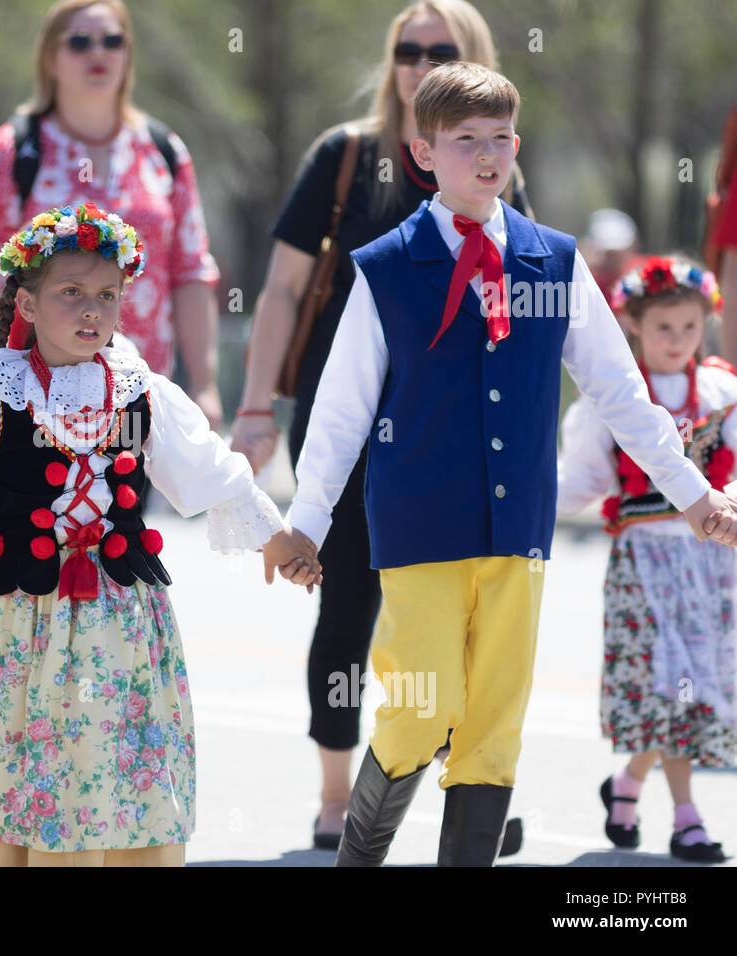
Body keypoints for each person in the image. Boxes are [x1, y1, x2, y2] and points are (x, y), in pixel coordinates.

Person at [277, 62, 737, 867]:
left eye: (499, 140)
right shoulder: (386, 267)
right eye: (465, 141)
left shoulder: (554, 263)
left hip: (517, 529)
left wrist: (694, 495)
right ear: (424, 154)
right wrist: (304, 524)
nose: (486, 156)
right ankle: (358, 860)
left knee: (493, 724)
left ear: (516, 148)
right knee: (423, 708)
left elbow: (622, 394)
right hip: (418, 528)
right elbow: (342, 411)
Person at [0, 202, 311, 866]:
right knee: (16, 759)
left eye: (107, 295)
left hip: (120, 617)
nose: (92, 309)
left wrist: (276, 539)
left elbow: (209, 471)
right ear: (29, 304)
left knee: (108, 759)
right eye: (71, 293)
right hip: (15, 614)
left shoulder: (140, 392)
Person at [231, 0, 530, 850]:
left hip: (454, 431)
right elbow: (284, 289)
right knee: (351, 603)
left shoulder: (496, 158)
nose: (419, 60)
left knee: (464, 616)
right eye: (407, 47)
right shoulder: (345, 158)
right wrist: (256, 409)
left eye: (441, 49)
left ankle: (467, 790)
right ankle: (338, 794)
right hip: (349, 422)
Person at [0, 0, 222, 429]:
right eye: (79, 42)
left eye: (112, 40)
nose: (98, 52)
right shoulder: (9, 153)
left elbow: (190, 273)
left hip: (139, 400)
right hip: (35, 402)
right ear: (50, 57)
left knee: (134, 496)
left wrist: (204, 384)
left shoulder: (163, 151)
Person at [557, 256, 734, 863]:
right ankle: (687, 819)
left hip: (709, 566)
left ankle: (628, 785)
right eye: (664, 329)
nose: (679, 340)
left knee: (687, 688)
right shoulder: (616, 397)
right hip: (644, 565)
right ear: (632, 324)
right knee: (670, 687)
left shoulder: (721, 391)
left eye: (689, 327)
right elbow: (579, 481)